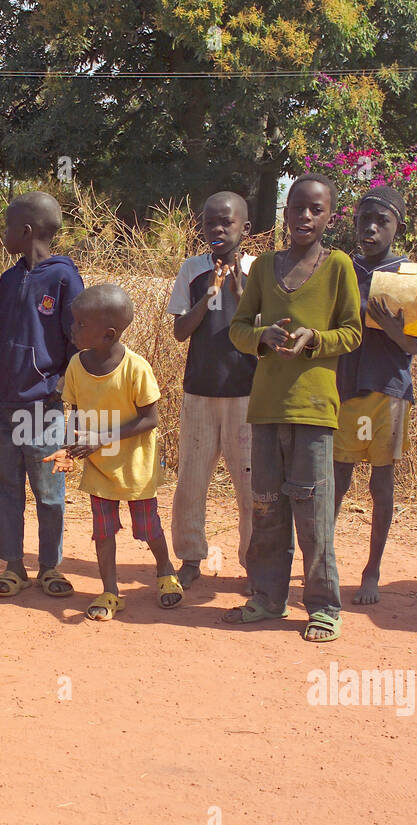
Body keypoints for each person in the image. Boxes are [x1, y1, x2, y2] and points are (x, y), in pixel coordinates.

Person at [222, 173, 361, 642]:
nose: (304, 216)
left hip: (315, 411)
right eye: (297, 207)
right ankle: (266, 598)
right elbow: (238, 328)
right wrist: (260, 337)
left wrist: (314, 340)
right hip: (266, 409)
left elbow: (353, 332)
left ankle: (323, 607)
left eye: (315, 209)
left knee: (314, 513)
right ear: (284, 211)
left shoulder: (339, 266)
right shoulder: (263, 267)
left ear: (329, 216)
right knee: (266, 509)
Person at [48, 284, 181, 620]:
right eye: (75, 322)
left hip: (136, 465)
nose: (73, 329)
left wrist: (101, 438)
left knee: (147, 527)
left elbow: (150, 419)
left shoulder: (136, 368)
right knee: (103, 531)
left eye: (81, 325)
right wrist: (67, 448)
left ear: (108, 334)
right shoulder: (77, 365)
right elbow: (75, 412)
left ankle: (166, 571)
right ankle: (110, 592)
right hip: (99, 466)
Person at [0, 191, 83, 600]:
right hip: (1, 403)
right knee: (4, 485)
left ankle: (50, 567)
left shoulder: (63, 278)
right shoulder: (8, 278)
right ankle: (13, 566)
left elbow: (78, 340)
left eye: (7, 227)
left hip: (41, 407)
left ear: (25, 231)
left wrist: (59, 387)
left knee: (48, 491)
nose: (4, 234)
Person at [332, 185, 417, 605]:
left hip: (389, 391)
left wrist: (389, 326)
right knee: (335, 483)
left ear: (398, 228)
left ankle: (372, 570)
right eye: (363, 220)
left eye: (381, 222)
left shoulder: (412, 277)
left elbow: (413, 346)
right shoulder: (339, 269)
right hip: (344, 390)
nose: (370, 228)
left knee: (381, 487)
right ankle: (325, 565)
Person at [168, 191, 256, 590]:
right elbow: (180, 331)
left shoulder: (259, 271)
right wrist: (208, 296)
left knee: (251, 484)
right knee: (191, 480)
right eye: (209, 223)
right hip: (200, 390)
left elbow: (264, 331)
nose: (217, 229)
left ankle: (254, 561)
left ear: (245, 228)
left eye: (227, 222)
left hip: (247, 394)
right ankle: (189, 556)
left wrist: (238, 293)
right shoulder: (193, 270)